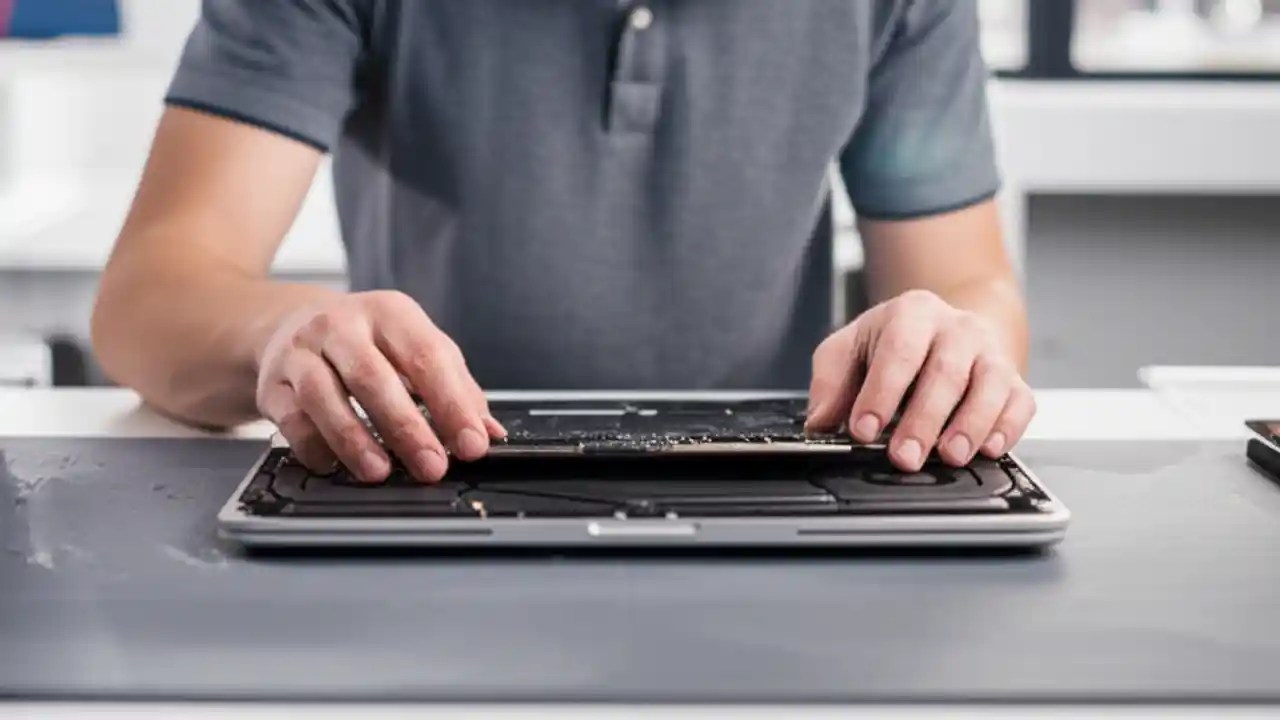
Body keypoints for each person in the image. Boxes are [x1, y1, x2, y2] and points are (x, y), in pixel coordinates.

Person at [92, 0, 1033, 484]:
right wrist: (281, 334)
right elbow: (150, 298)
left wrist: (957, 344)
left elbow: (968, 285)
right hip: (416, 494)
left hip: (786, 495)